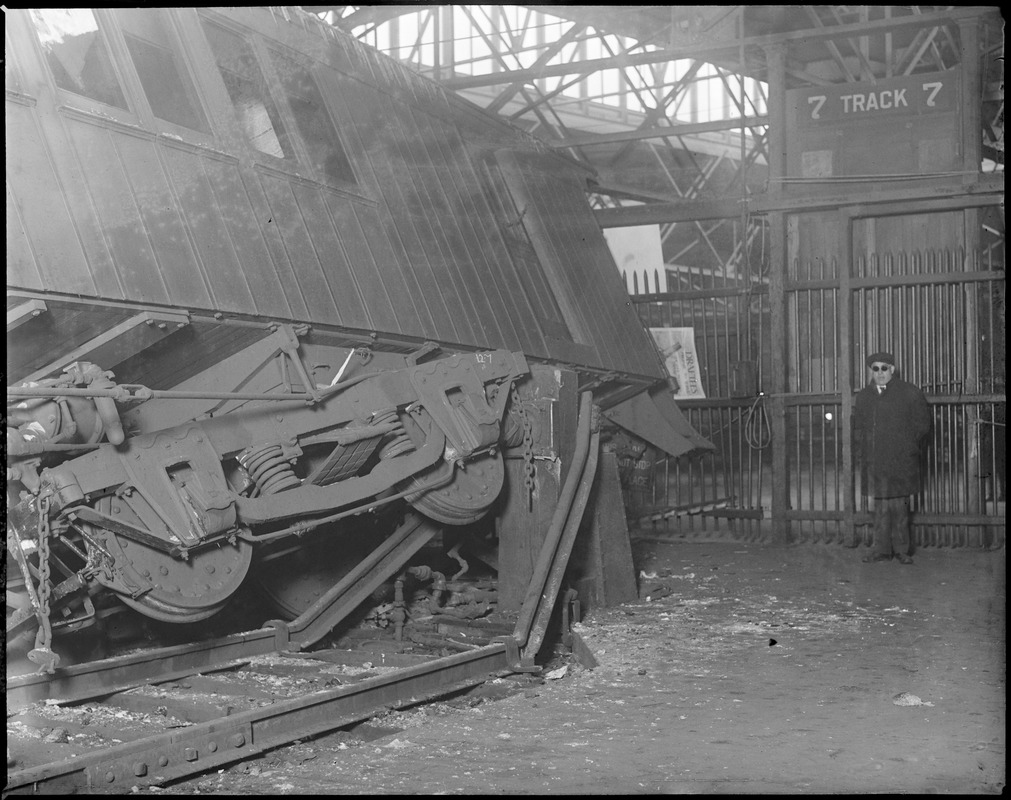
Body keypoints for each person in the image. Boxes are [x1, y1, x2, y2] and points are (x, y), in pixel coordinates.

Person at [852, 351, 931, 564]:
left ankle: (901, 550)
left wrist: (907, 446)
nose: (880, 373)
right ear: (871, 371)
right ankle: (881, 549)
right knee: (880, 507)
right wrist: (865, 450)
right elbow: (858, 426)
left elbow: (923, 425)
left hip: (900, 459)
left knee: (899, 506)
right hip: (876, 459)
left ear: (892, 370)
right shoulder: (864, 396)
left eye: (884, 368)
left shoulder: (910, 392)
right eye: (875, 368)